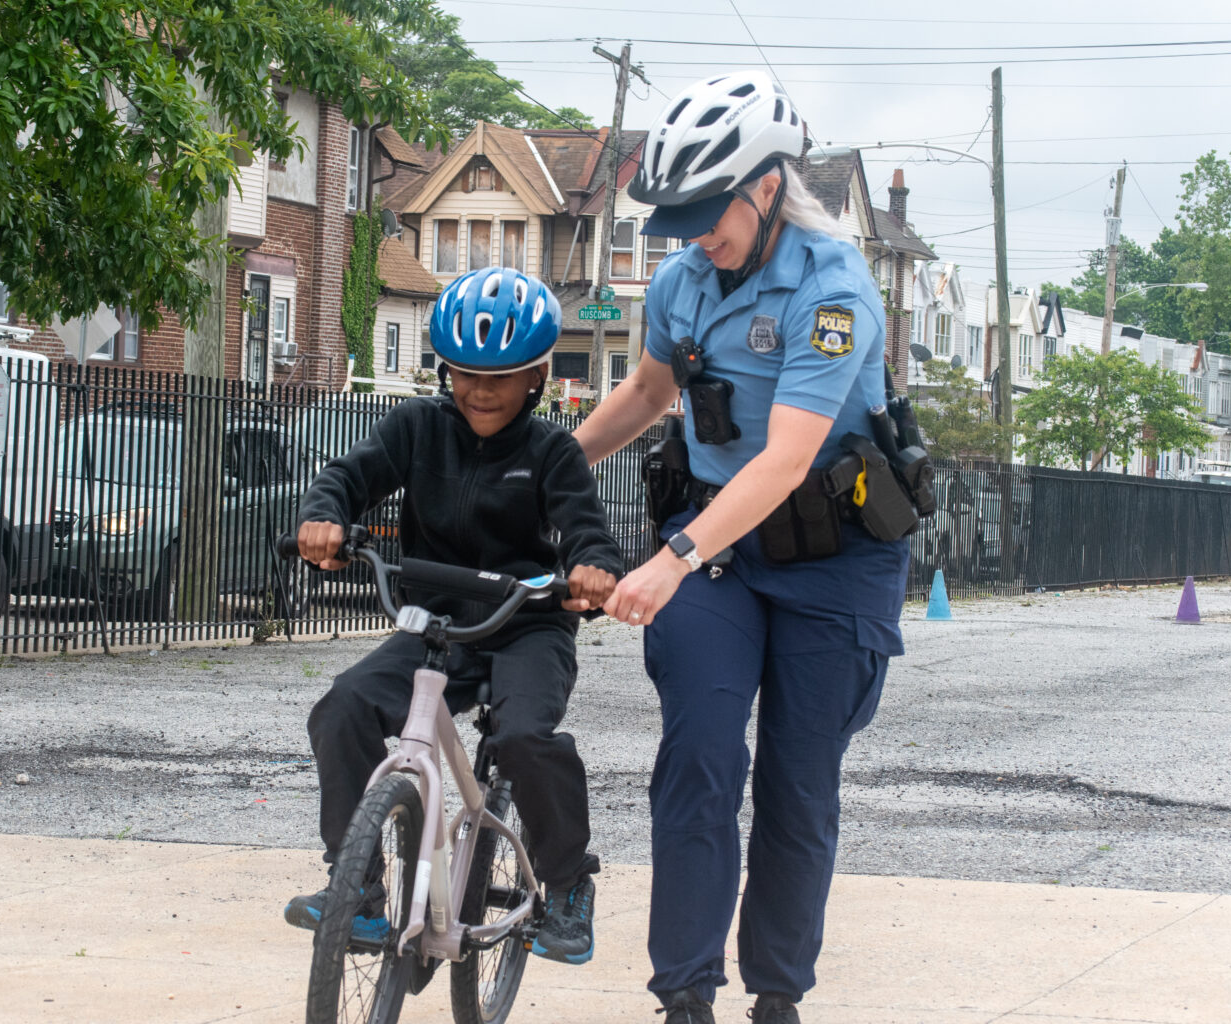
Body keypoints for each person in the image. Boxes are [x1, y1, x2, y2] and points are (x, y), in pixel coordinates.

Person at [571, 72, 911, 1023]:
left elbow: (787, 457)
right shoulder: (681, 285)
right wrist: (543, 467)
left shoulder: (833, 290)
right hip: (722, 554)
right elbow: (646, 396)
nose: (687, 241)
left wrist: (668, 558)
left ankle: (777, 997)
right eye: (670, 221)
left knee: (798, 786)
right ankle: (684, 994)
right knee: (701, 758)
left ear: (765, 187)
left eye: (703, 216)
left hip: (833, 555)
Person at [284, 266, 622, 964]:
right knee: (343, 707)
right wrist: (325, 517)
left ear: (536, 377)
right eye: (465, 373)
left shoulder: (552, 451)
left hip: (527, 624)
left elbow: (586, 529)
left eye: (503, 376)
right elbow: (347, 477)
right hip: (433, 621)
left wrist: (591, 568)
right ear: (444, 372)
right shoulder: (415, 429)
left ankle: (568, 883)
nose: (482, 389)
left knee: (527, 737)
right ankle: (360, 893)